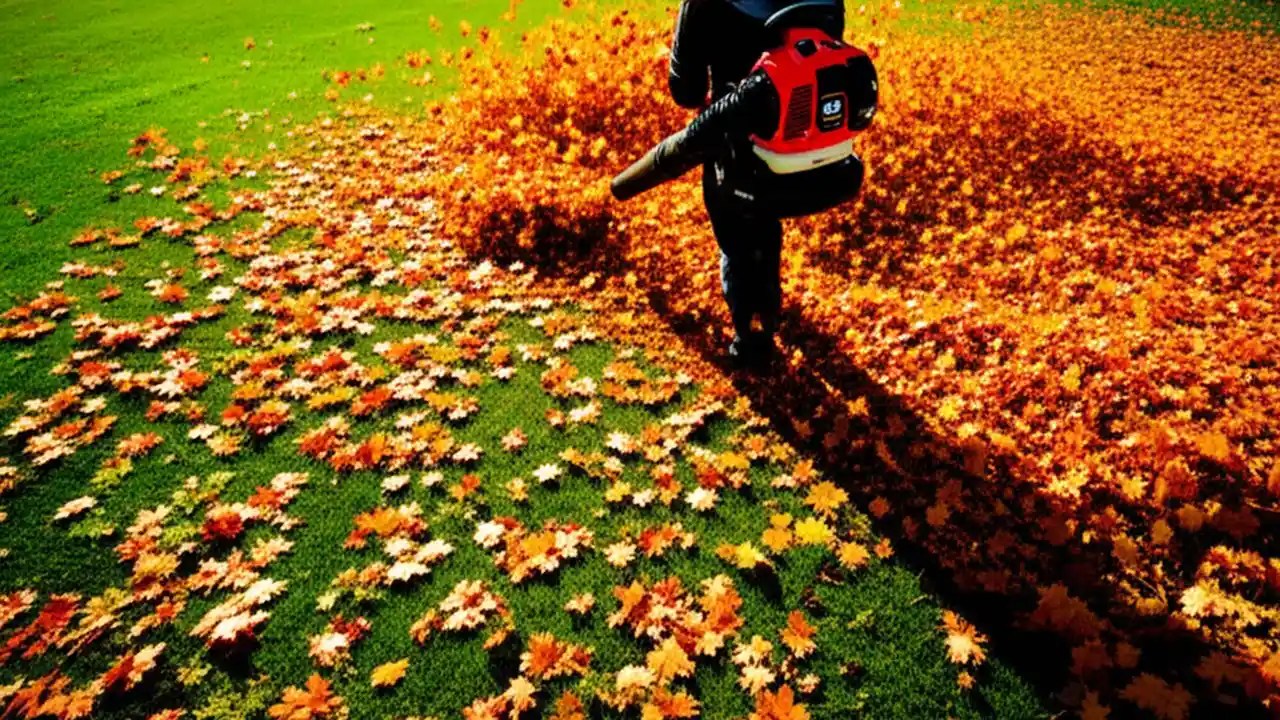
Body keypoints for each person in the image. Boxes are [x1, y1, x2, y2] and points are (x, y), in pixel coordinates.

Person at [612, 0, 877, 365]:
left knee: (741, 226)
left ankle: (752, 338)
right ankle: (765, 298)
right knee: (761, 224)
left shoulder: (706, 6)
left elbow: (685, 92)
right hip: (828, 163)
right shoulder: (826, 1)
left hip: (748, 168)